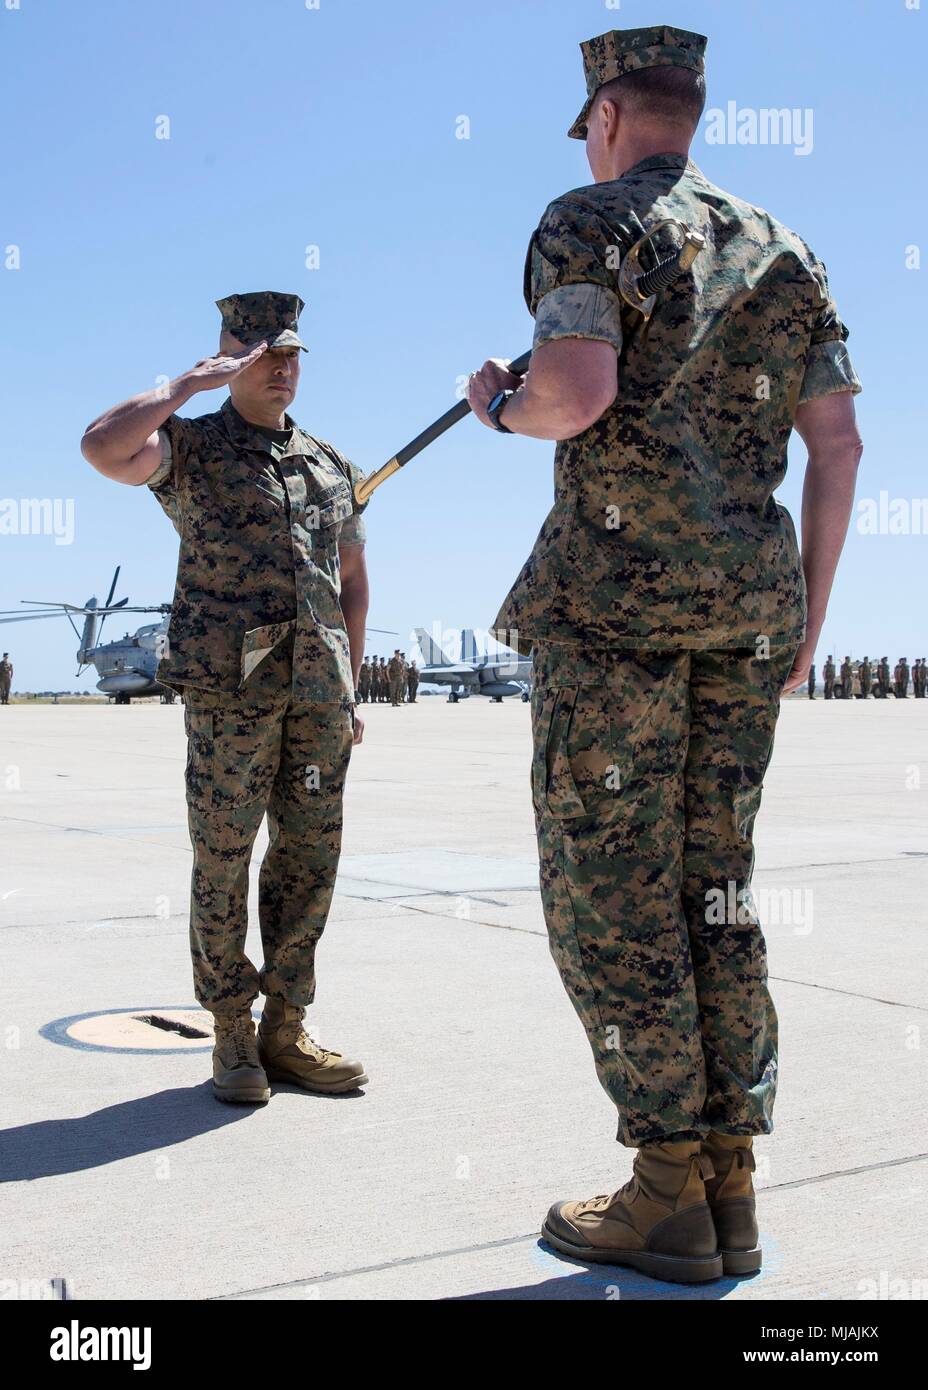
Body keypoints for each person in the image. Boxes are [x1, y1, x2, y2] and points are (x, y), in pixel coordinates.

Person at [469, 24, 862, 1283]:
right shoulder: (787, 250)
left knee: (611, 893)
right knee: (718, 889)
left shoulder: (588, 221)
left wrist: (496, 402)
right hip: (748, 612)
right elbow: (839, 447)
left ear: (604, 115)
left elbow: (571, 396)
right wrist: (804, 612)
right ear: (690, 111)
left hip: (617, 610)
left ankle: (664, 1189)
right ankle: (730, 1181)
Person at [81, 291, 371, 1105]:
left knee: (309, 861)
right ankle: (231, 1030)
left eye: (292, 355)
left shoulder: (330, 466)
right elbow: (101, 449)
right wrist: (183, 386)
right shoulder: (192, 448)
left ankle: (287, 1025)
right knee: (223, 858)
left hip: (318, 697)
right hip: (230, 695)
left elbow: (350, 582)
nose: (283, 368)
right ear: (231, 358)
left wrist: (349, 690)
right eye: (265, 354)